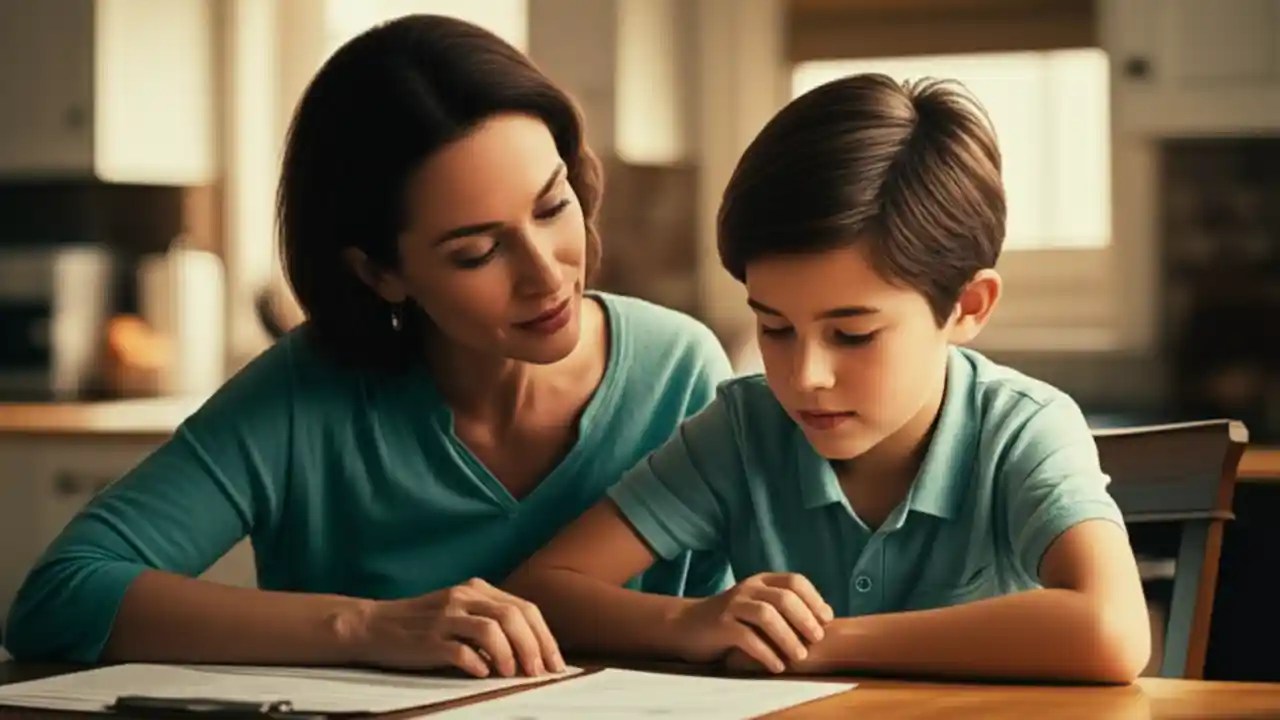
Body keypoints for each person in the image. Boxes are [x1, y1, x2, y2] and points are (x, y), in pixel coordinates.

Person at [3, 15, 733, 678]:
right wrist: (366, 625)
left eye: (553, 205)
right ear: (381, 273)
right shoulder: (306, 393)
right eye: (477, 251)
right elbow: (61, 596)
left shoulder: (679, 371)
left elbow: (726, 646)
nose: (547, 275)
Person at [506, 74, 1152, 684]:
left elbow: (1112, 630)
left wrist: (831, 643)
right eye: (775, 329)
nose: (806, 377)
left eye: (853, 335)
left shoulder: (1023, 430)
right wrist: (691, 621)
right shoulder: (743, 430)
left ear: (968, 306)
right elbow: (544, 589)